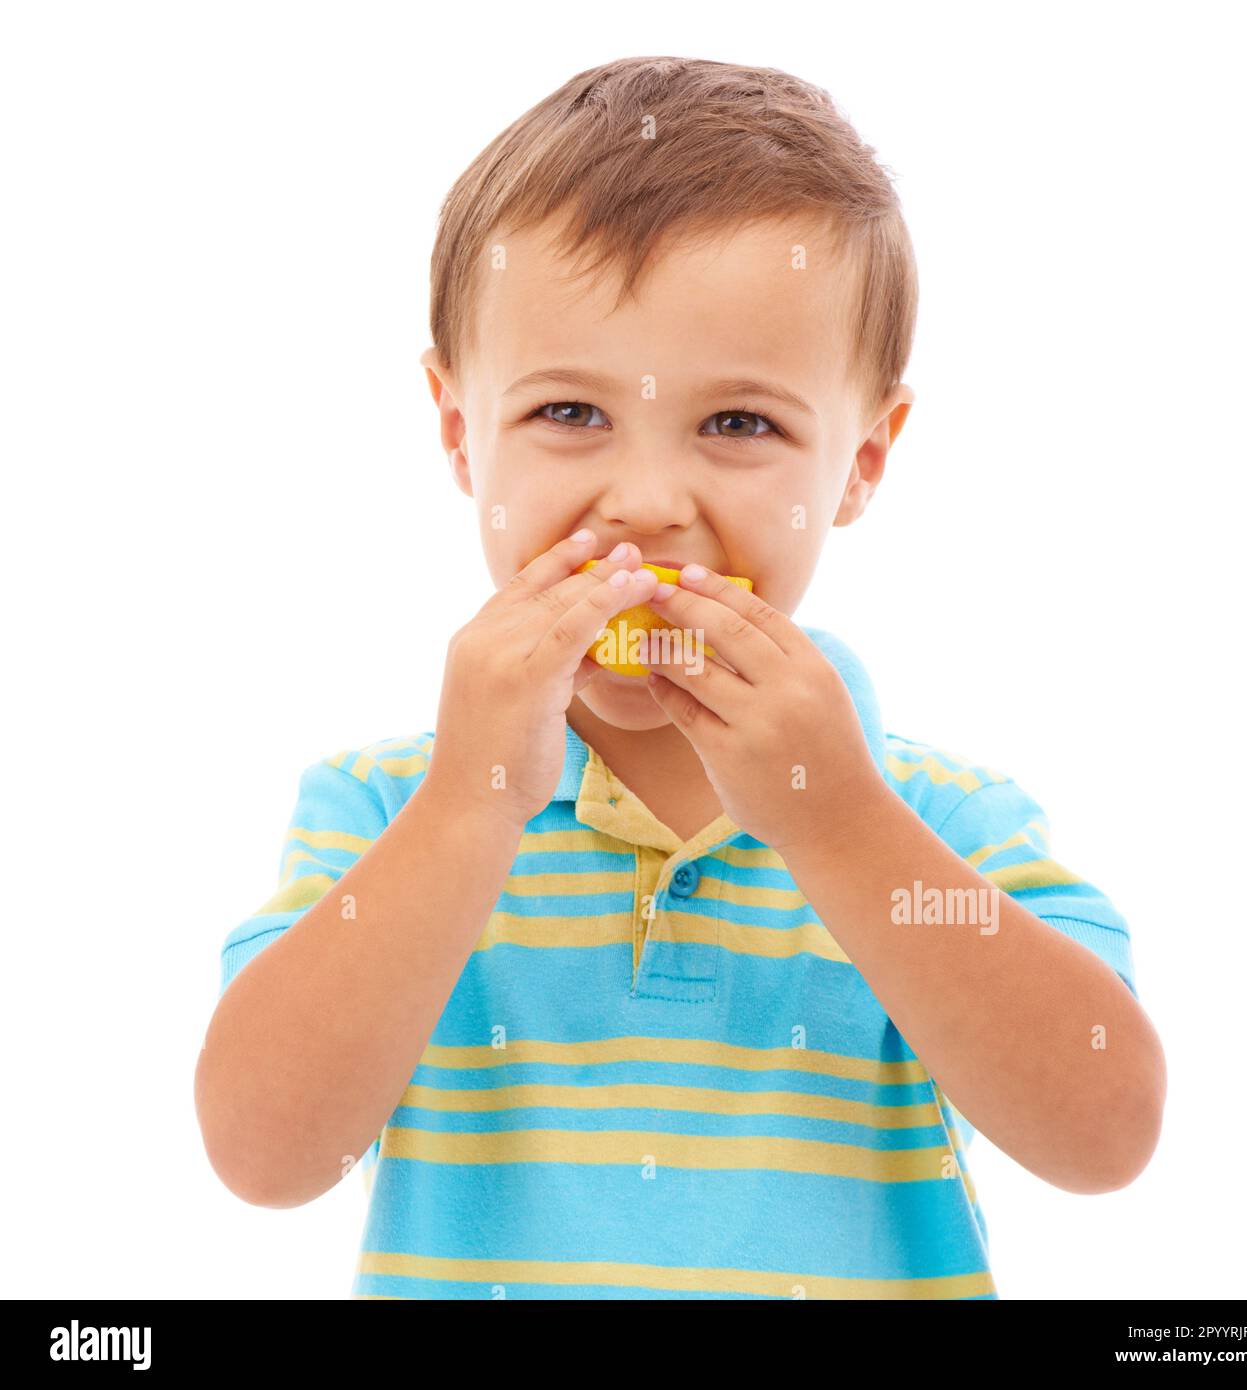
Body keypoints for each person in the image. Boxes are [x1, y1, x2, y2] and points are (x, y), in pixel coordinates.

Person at [194, 54, 1166, 1300]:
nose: (647, 505)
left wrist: (843, 825)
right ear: (456, 432)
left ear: (862, 458)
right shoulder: (387, 806)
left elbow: (1105, 1131)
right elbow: (262, 1153)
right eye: (569, 415)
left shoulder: (940, 820)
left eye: (740, 425)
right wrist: (466, 807)